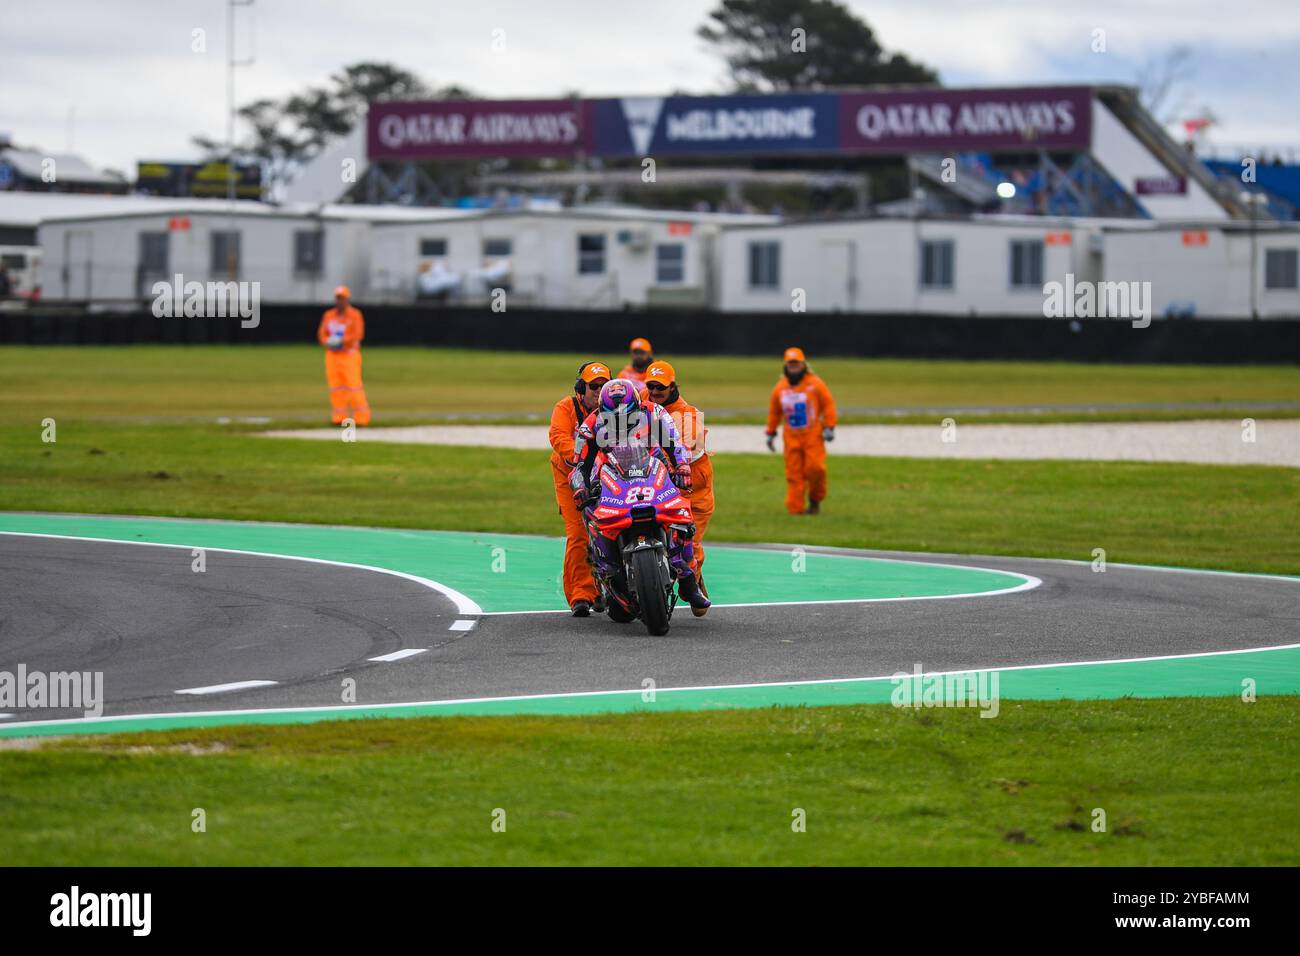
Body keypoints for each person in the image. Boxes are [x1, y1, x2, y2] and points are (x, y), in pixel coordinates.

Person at [571, 378, 710, 611]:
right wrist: (581, 488)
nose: (621, 421)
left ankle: (688, 580)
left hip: (652, 468)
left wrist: (683, 468)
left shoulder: (654, 412)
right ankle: (607, 571)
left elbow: (675, 444)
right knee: (591, 514)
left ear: (637, 405)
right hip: (610, 475)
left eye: (626, 416)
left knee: (682, 514)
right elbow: (579, 465)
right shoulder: (590, 424)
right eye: (613, 417)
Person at [643, 361, 714, 616]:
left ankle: (693, 582)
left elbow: (679, 454)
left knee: (689, 542)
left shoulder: (688, 416)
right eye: (650, 385)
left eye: (660, 387)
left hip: (693, 489)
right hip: (659, 483)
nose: (654, 391)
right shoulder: (643, 401)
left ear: (673, 386)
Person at [549, 361, 611, 617]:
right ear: (580, 387)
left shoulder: (618, 408)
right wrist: (581, 455)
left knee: (610, 525)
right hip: (571, 475)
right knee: (579, 532)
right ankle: (580, 595)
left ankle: (610, 587)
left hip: (607, 474)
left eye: (603, 385)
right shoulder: (566, 407)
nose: (598, 391)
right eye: (593, 386)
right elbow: (558, 436)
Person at [765, 347, 837, 515]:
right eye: (790, 364)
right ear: (785, 366)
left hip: (812, 434)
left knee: (816, 468)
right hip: (791, 436)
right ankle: (796, 510)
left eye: (796, 364)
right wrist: (770, 432)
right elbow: (774, 412)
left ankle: (815, 499)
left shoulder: (815, 384)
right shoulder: (780, 388)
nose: (794, 367)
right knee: (794, 474)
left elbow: (828, 405)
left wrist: (830, 426)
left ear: (803, 364)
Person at [316, 286, 370, 426]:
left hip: (349, 354)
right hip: (332, 355)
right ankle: (339, 416)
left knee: (353, 387)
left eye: (342, 298)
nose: (339, 301)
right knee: (336, 387)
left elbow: (358, 334)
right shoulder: (329, 315)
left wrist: (341, 340)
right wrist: (327, 341)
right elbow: (322, 333)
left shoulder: (354, 314)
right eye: (337, 298)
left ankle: (361, 418)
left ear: (347, 299)